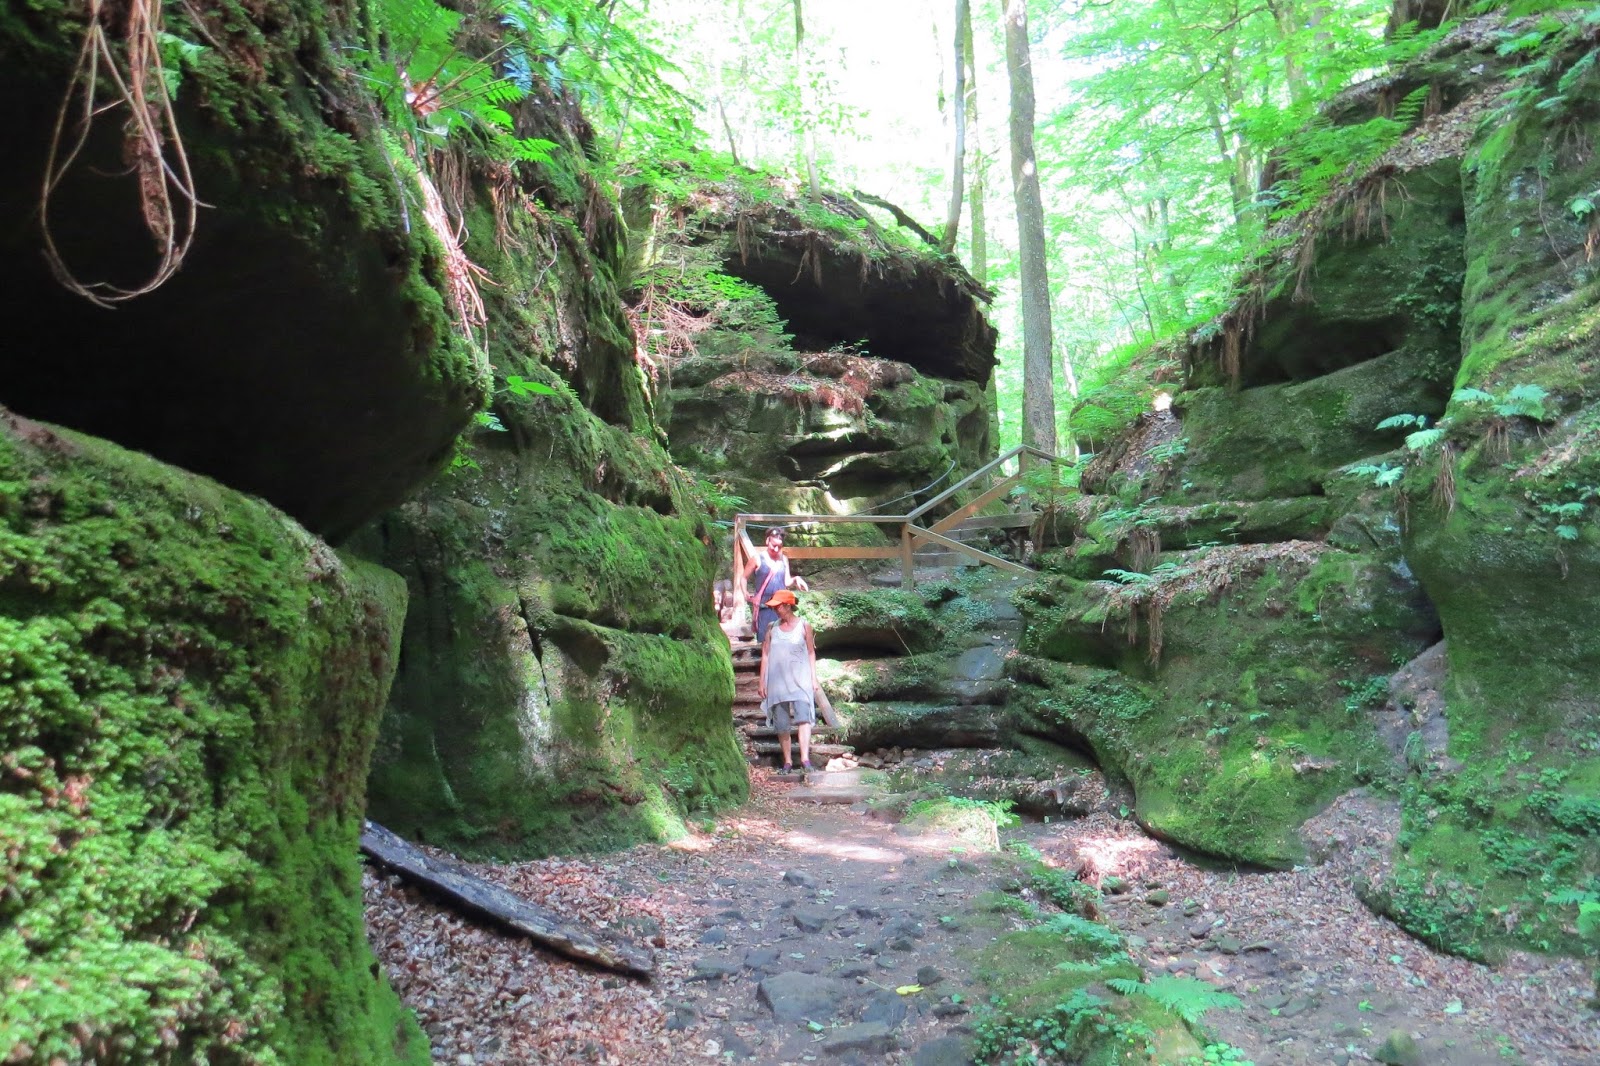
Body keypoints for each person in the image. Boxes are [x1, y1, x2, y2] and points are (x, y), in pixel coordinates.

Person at [757, 589, 818, 776]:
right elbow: (766, 654)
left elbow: (810, 652)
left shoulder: (804, 626)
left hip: (800, 678)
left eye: (778, 606)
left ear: (789, 606)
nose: (775, 610)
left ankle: (805, 759)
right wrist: (762, 681)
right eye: (774, 606)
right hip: (777, 682)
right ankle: (788, 762)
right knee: (782, 723)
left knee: (803, 718)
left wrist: (813, 678)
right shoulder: (771, 628)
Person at [743, 526, 808, 645]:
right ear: (767, 541)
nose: (776, 548)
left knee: (783, 639)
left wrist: (796, 579)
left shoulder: (784, 559)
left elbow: (786, 581)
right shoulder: (757, 559)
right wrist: (745, 592)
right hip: (764, 607)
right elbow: (743, 577)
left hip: (782, 607)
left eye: (779, 546)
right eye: (773, 545)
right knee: (766, 642)